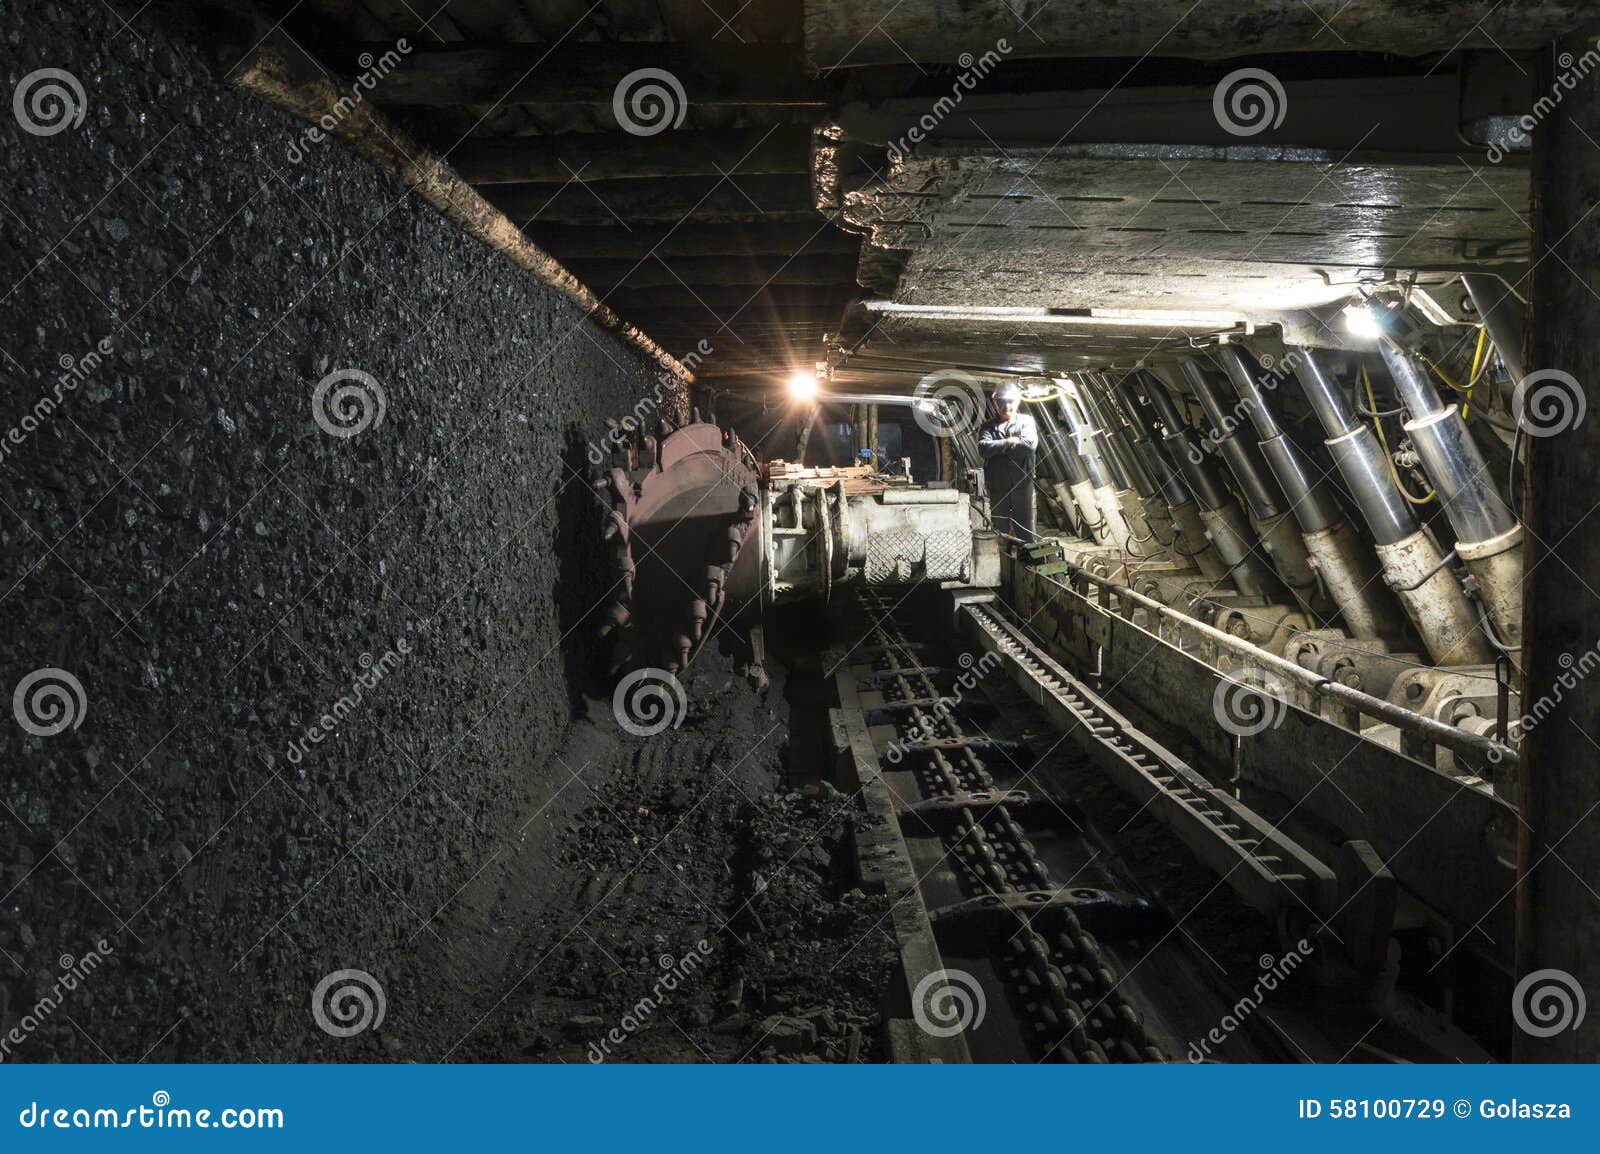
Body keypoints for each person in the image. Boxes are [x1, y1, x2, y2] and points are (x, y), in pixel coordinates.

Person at [977, 382, 1039, 538]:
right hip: (997, 486)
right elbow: (983, 449)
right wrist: (1008, 442)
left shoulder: (1026, 421)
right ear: (995, 402)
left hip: (1022, 485)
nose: (1006, 406)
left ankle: (1025, 562)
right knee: (1000, 530)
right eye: (1001, 402)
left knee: (1024, 531)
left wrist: (997, 447)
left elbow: (1029, 446)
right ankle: (1005, 560)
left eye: (1010, 401)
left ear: (1017, 401)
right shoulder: (987, 427)